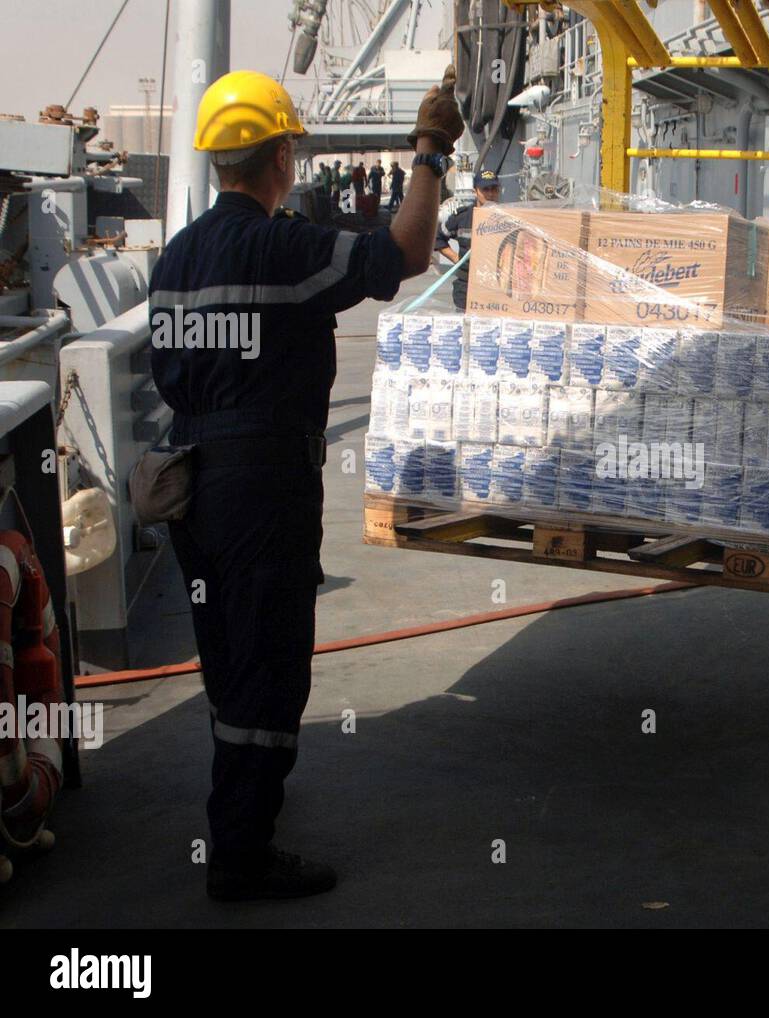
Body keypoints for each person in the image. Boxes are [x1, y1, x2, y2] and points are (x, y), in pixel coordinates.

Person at [148, 67, 462, 900]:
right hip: (261, 486)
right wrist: (428, 150)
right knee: (272, 663)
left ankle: (243, 807)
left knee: (229, 654)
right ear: (282, 155)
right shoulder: (280, 248)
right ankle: (242, 855)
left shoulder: (175, 259)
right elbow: (405, 252)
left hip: (194, 483)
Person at [434, 168, 501, 312]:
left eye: (494, 189)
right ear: (475, 191)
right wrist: (455, 258)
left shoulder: (507, 219)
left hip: (497, 290)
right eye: (485, 189)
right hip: (467, 286)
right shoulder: (462, 218)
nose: (490, 194)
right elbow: (437, 238)